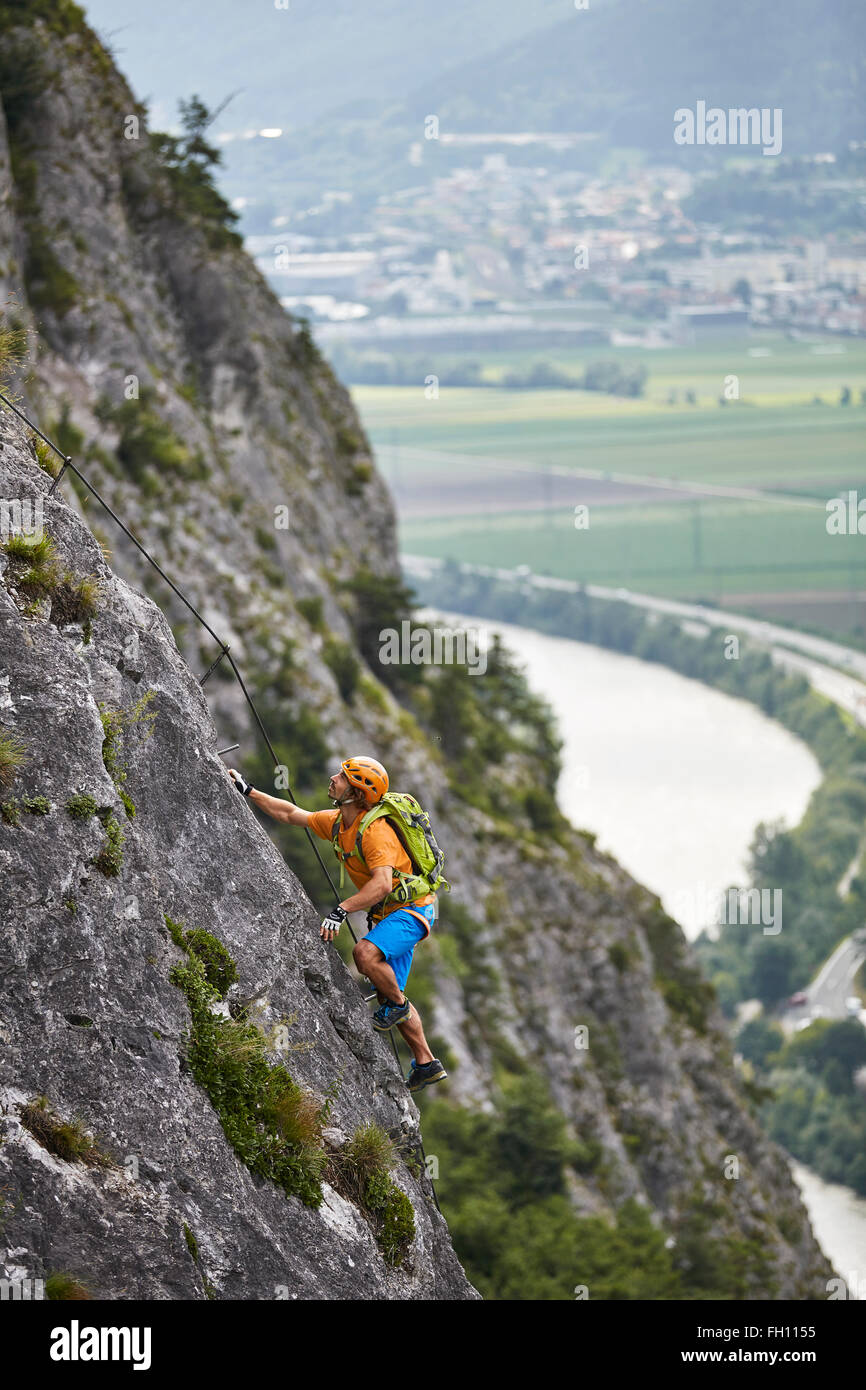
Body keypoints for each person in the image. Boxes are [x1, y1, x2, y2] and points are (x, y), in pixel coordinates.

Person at [228, 755, 447, 1093]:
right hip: (394, 913)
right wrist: (249, 790)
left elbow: (382, 885)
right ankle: (425, 1062)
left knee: (365, 955)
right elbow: (291, 814)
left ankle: (399, 1008)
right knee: (390, 993)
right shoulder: (338, 822)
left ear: (356, 793)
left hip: (412, 910)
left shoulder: (375, 833)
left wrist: (341, 910)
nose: (333, 779)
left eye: (342, 777)